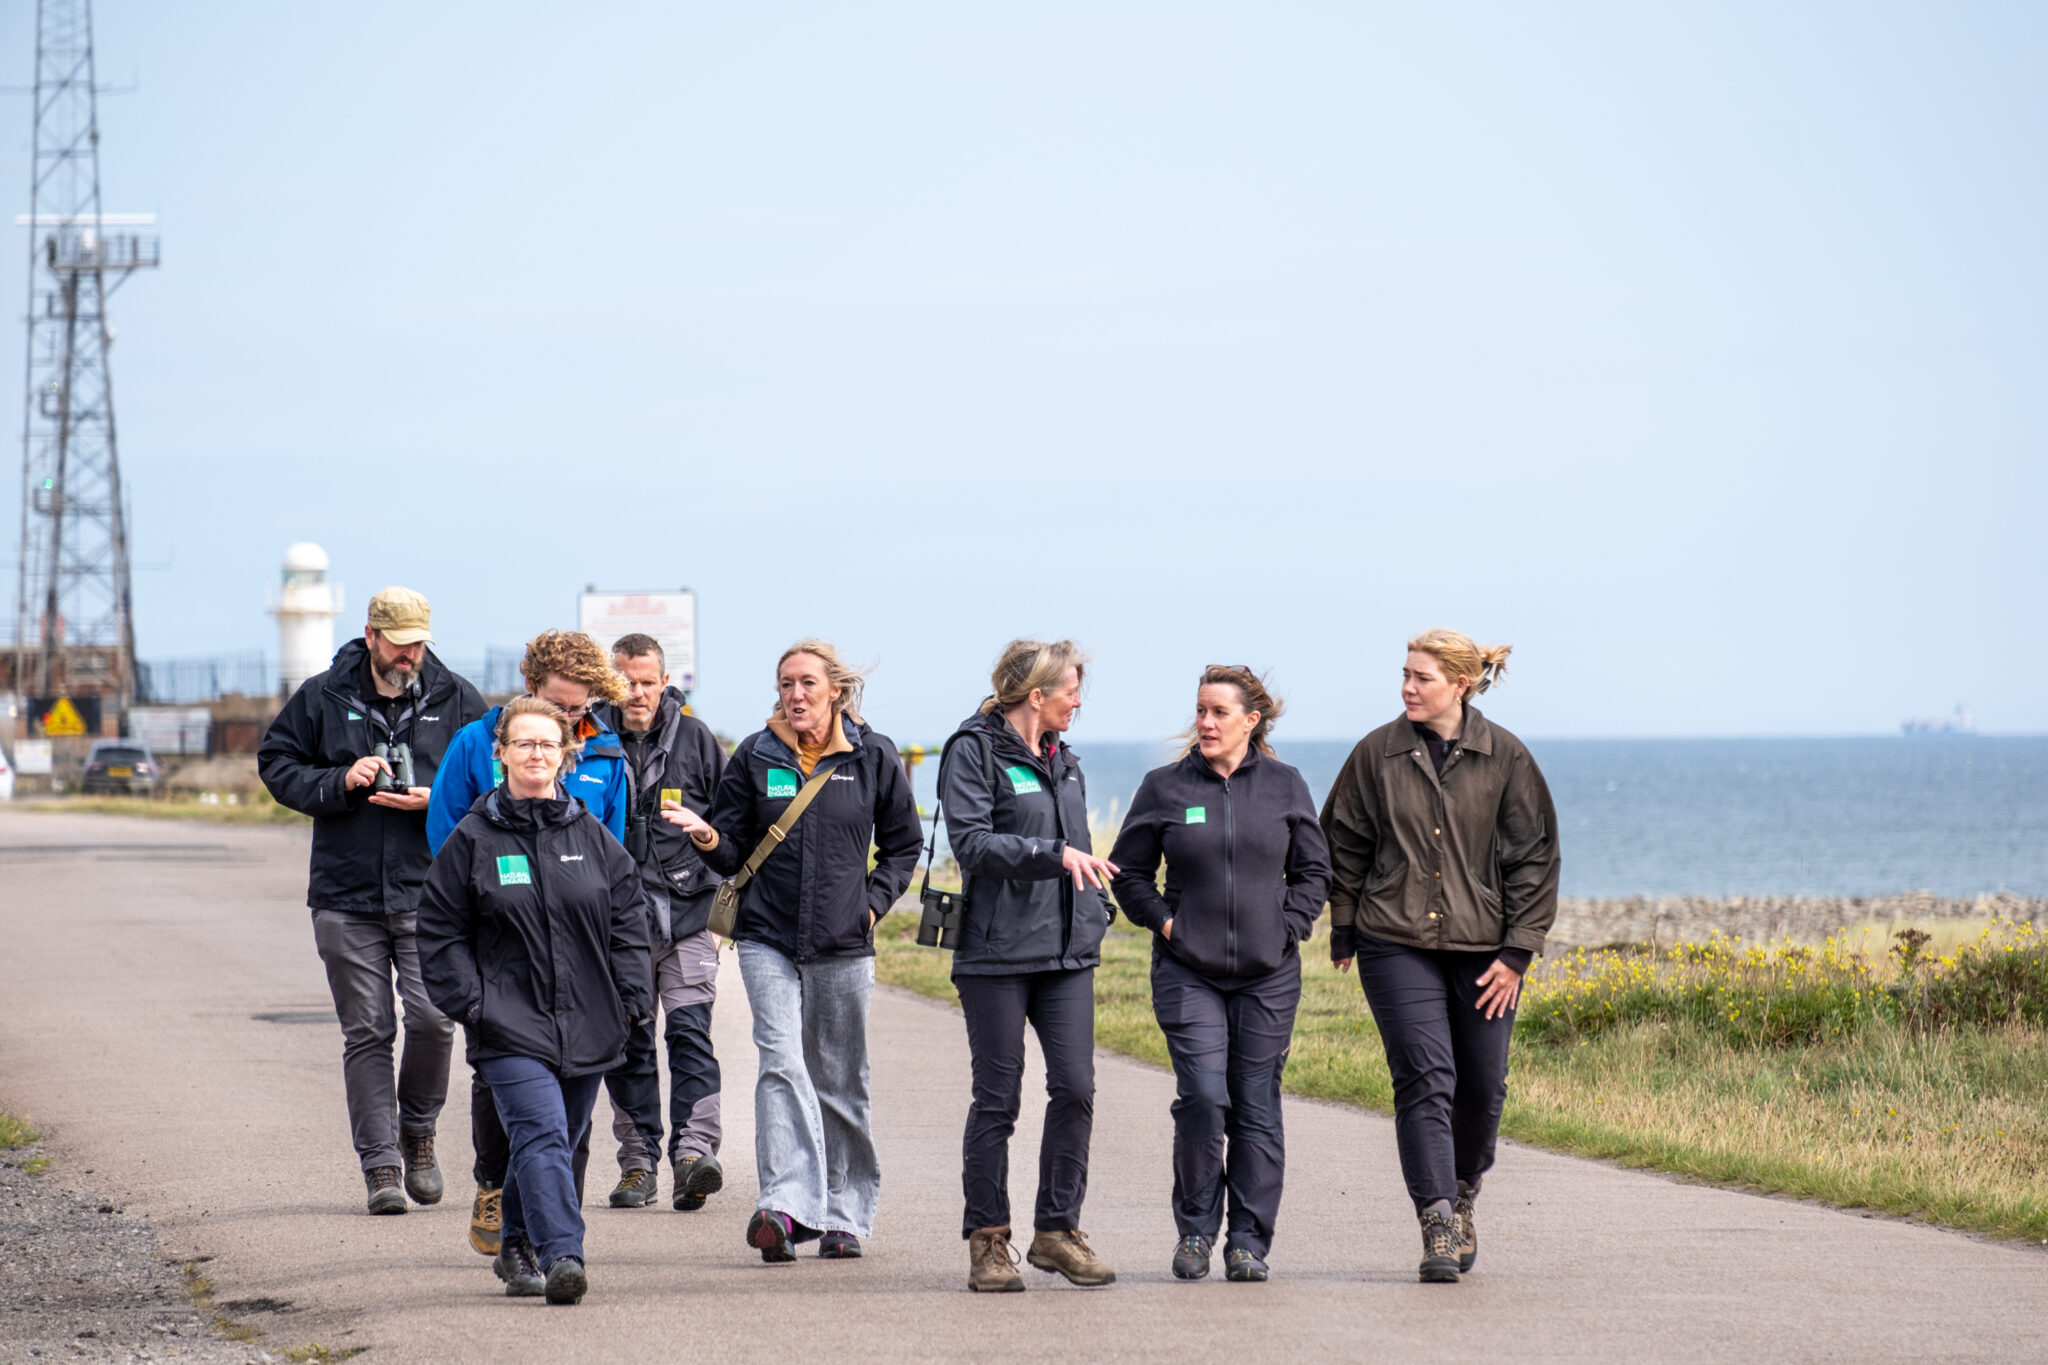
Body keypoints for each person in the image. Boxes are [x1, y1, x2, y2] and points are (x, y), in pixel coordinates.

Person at [662, 639, 922, 1263]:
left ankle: (844, 1213)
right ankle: (784, 1205)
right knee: (780, 1063)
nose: (796, 695)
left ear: (836, 689)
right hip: (766, 937)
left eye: (807, 683)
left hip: (842, 944)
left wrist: (870, 904)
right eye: (785, 684)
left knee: (839, 1079)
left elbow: (904, 846)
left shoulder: (873, 756)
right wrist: (706, 836)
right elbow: (732, 851)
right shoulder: (754, 755)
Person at [1319, 630, 1559, 1283]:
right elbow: (1342, 842)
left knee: (1482, 1087)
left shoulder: (1504, 756)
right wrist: (1344, 927)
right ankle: (1436, 1221)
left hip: (1487, 951)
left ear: (1460, 683)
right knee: (1425, 1077)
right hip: (1393, 941)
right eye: (1404, 673)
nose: (1407, 686)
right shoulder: (1377, 753)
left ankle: (1462, 1190)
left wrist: (1517, 951)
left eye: (1421, 676)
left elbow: (1534, 859)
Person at [258, 587, 487, 1215]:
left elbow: (492, 785)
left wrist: (434, 800)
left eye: (419, 642)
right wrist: (339, 779)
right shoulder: (322, 695)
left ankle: (419, 1133)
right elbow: (276, 763)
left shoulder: (461, 698)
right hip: (344, 893)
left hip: (431, 893)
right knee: (368, 1031)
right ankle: (381, 1165)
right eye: (400, 642)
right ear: (370, 636)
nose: (411, 654)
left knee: (435, 1019)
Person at [418, 697, 654, 1306]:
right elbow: (439, 932)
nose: (536, 754)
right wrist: (473, 1004)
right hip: (507, 1023)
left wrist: (631, 999)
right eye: (523, 743)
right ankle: (563, 1255)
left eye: (548, 744)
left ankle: (517, 1242)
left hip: (592, 1020)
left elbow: (629, 921)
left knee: (560, 1138)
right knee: (543, 1131)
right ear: (500, 754)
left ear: (565, 755)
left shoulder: (592, 836)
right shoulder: (473, 839)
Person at [1109, 666, 1330, 1284]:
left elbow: (1315, 872)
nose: (1204, 723)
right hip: (1188, 972)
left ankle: (1248, 1243)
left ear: (1251, 721)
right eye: (1200, 711)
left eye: (1218, 713)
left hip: (1269, 975)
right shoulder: (1164, 787)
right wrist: (1168, 925)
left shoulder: (1285, 785)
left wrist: (1288, 927)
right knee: (1205, 1097)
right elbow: (1128, 873)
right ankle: (1196, 1232)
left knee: (1256, 1104)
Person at [937, 639, 1120, 1293]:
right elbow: (973, 842)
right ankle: (988, 1240)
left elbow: (1080, 847)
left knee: (1075, 1088)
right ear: (1037, 694)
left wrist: (1097, 901)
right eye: (1071, 688)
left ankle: (1056, 1231)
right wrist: (1052, 852)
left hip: (1067, 953)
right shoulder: (973, 749)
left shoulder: (1063, 760)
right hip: (995, 955)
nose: (1079, 699)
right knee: (998, 1098)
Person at [591, 632, 728, 1214]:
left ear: (665, 681)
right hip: (615, 924)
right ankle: (637, 1164)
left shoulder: (699, 741)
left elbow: (730, 831)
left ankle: (693, 1156)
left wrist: (708, 844)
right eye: (626, 681)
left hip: (691, 915)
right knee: (629, 1042)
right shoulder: (589, 742)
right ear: (611, 682)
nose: (637, 693)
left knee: (690, 1034)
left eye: (648, 682)